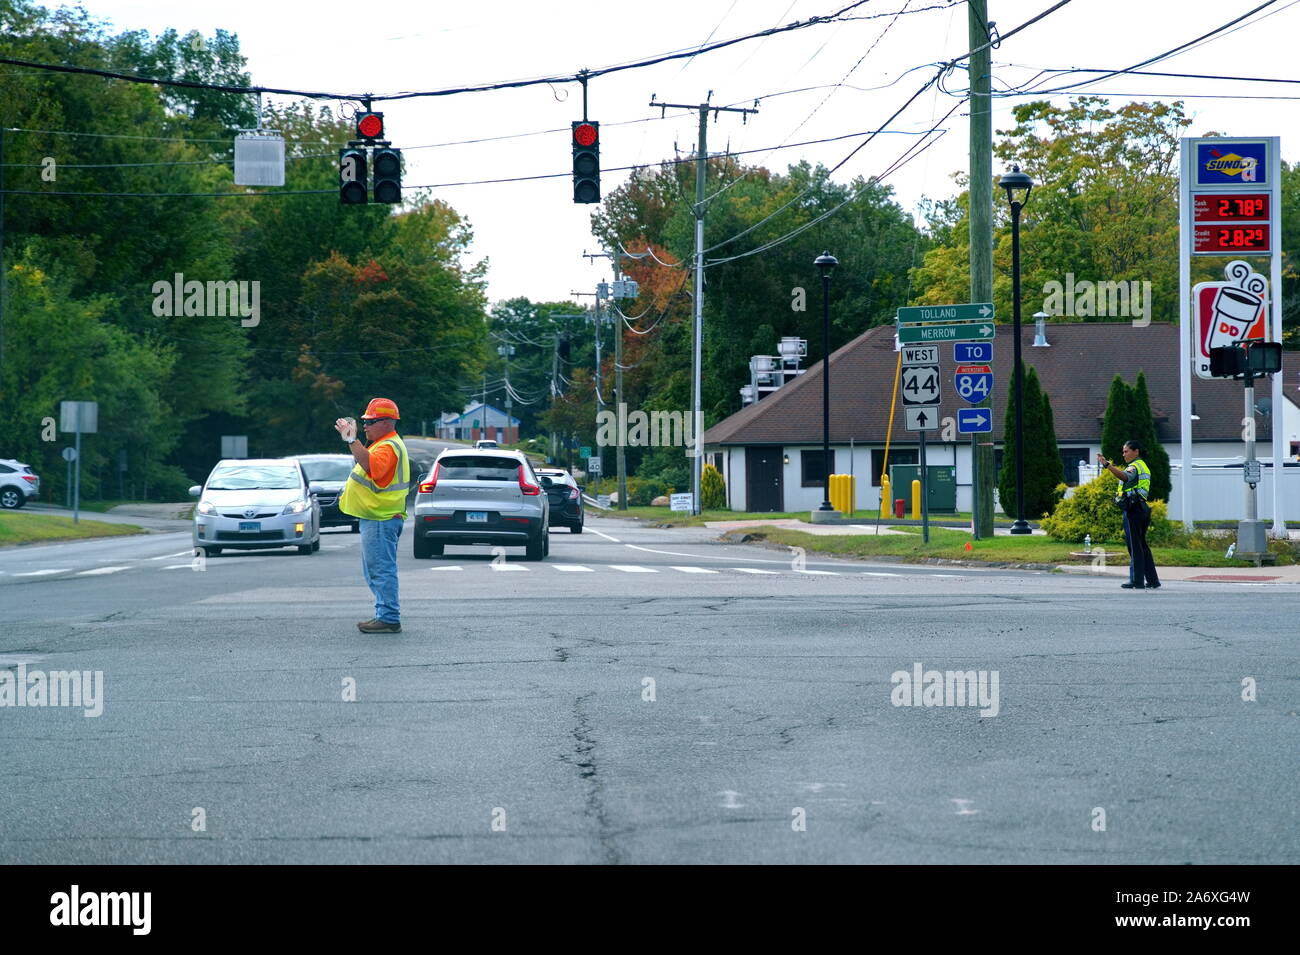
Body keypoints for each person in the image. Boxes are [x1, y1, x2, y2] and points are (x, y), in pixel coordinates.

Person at [336, 399, 411, 632]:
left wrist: (352, 440)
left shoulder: (388, 446)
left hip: (381, 518)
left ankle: (388, 617)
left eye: (371, 421)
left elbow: (370, 467)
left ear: (388, 423)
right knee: (377, 569)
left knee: (380, 569)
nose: (365, 425)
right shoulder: (383, 444)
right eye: (365, 421)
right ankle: (385, 615)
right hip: (380, 518)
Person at [1096, 440, 1160, 590]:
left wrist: (1107, 465)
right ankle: (1152, 580)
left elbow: (1124, 477)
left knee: (1135, 546)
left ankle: (1136, 580)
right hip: (1141, 507)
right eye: (1123, 451)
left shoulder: (1134, 466)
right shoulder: (1143, 465)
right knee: (1142, 545)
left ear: (1136, 451)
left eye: (1126, 451)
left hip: (1134, 509)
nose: (1124, 454)